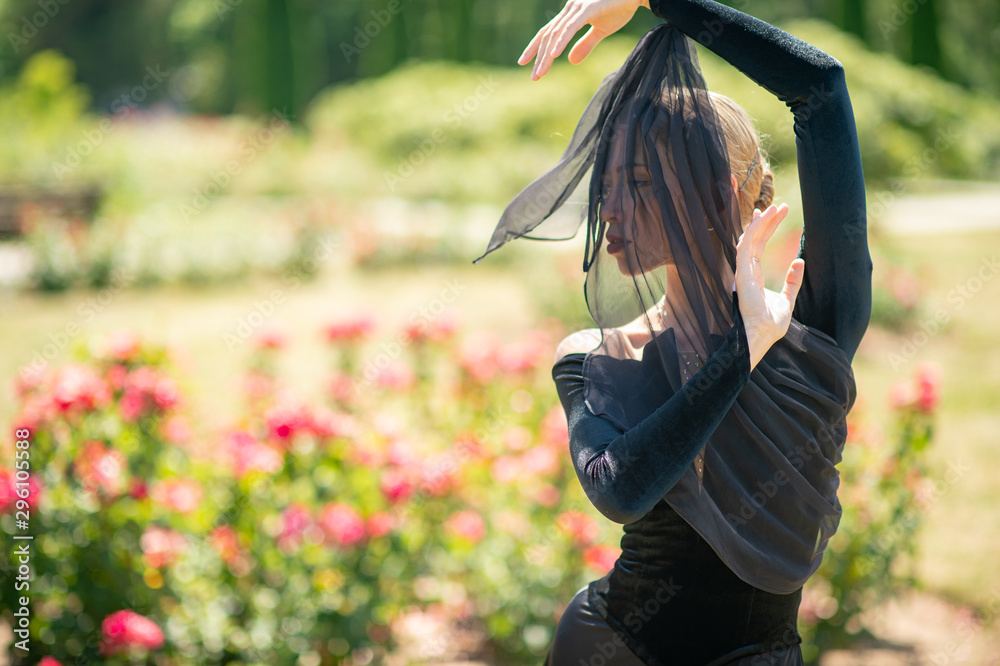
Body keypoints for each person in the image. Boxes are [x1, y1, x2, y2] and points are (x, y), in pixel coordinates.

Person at [473, 0, 873, 664]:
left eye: (638, 183)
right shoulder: (595, 356)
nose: (612, 210)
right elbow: (621, 490)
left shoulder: (816, 324)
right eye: (607, 185)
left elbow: (822, 91)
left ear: (717, 192)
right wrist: (740, 350)